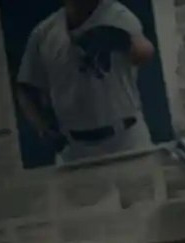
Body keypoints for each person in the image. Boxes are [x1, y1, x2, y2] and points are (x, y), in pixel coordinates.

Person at [15, 0, 158, 166]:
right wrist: (42, 126)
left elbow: (144, 53)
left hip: (126, 140)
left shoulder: (117, 15)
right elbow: (25, 86)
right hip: (74, 149)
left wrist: (121, 40)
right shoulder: (44, 32)